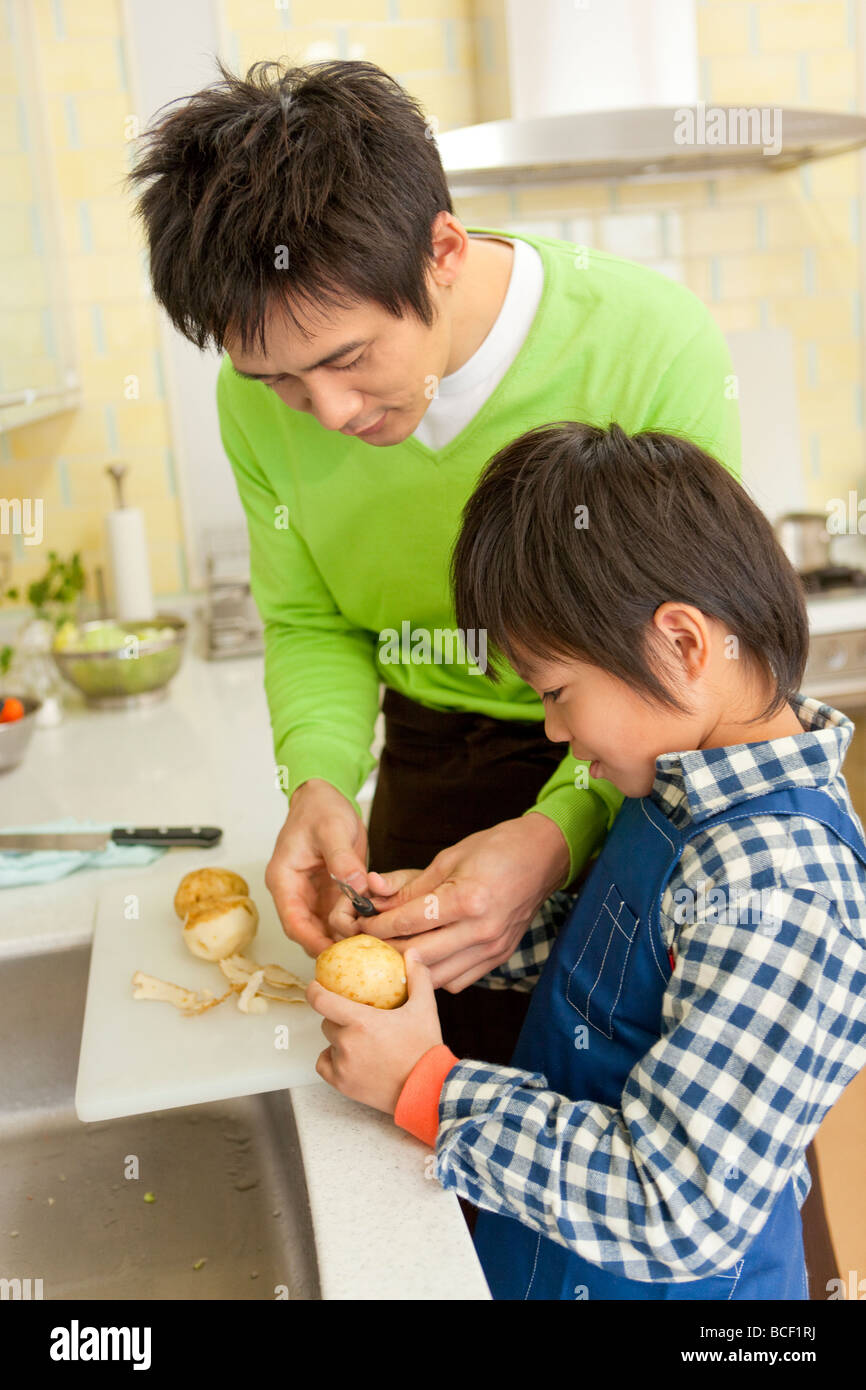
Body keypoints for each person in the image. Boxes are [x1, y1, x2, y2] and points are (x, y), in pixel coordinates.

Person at [306, 422, 866, 1300]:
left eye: (557, 693)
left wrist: (427, 1087)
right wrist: (444, 931)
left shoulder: (781, 882)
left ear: (682, 645)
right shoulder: (677, 792)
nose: (554, 733)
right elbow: (627, 961)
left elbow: (672, 1206)